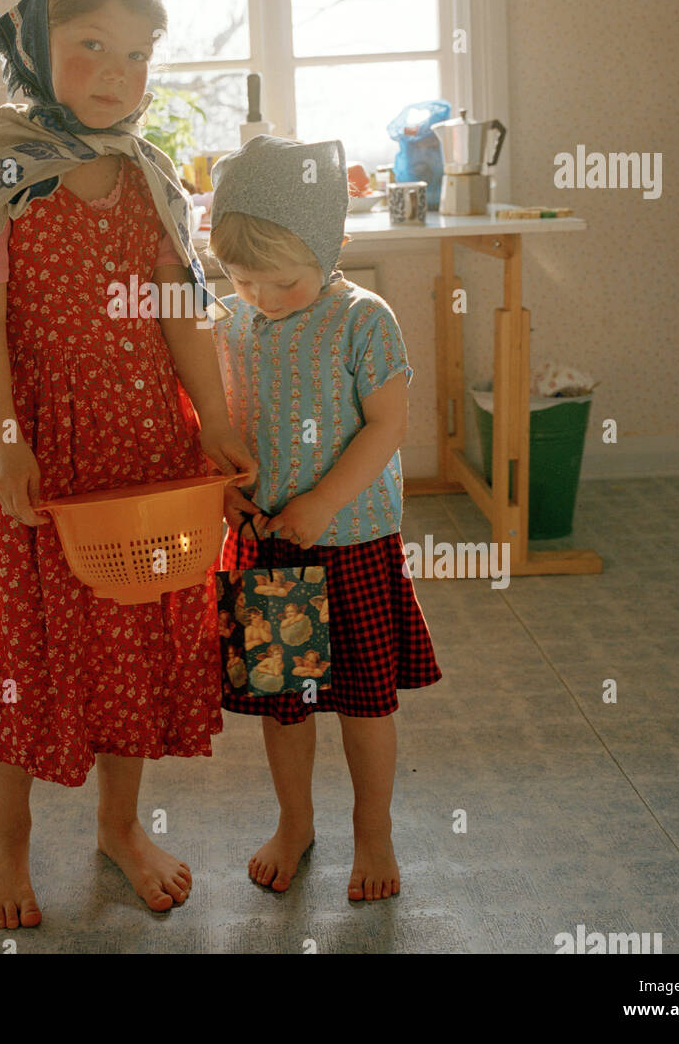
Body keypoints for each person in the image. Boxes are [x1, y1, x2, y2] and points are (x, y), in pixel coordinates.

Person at [0, 0, 256, 930]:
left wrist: (219, 427)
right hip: (41, 449)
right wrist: (10, 440)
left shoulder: (149, 174)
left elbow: (182, 316)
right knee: (22, 638)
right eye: (89, 46)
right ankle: (7, 838)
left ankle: (120, 825)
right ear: (36, 45)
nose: (116, 75)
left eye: (138, 54)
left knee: (132, 632)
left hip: (145, 441)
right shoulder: (6, 162)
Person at [207, 135, 443, 901]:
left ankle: (373, 835)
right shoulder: (235, 323)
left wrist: (322, 502)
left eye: (285, 281)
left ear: (332, 246)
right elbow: (231, 423)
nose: (265, 298)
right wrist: (226, 488)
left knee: (365, 703)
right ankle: (295, 822)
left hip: (352, 543)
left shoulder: (364, 320)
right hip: (270, 546)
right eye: (245, 282)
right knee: (286, 704)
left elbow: (387, 427)